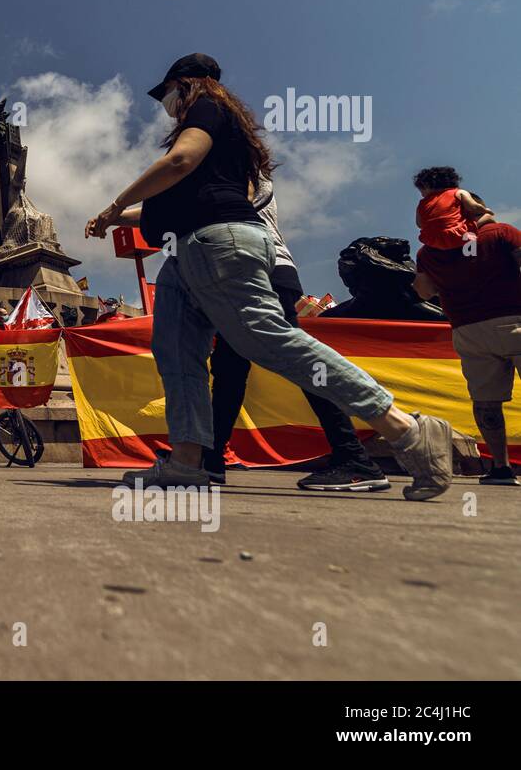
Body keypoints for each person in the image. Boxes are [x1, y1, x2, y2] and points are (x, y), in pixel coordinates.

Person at [85, 53, 456, 500]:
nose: (165, 102)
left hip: (217, 244)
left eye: (166, 93)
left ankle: (405, 428)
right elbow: (169, 201)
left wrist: (112, 203)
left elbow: (180, 161)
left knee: (267, 338)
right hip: (183, 256)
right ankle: (186, 463)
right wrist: (116, 219)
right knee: (177, 357)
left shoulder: (208, 107)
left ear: (185, 84)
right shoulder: (220, 139)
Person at [203, 174, 390, 491]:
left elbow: (225, 206)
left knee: (298, 364)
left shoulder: (238, 165)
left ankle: (356, 455)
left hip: (258, 269)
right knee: (230, 369)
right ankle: (210, 460)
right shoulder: (239, 164)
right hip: (256, 269)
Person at [414, 203, 521, 486]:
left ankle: (500, 468)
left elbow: (424, 292)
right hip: (514, 320)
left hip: (468, 330)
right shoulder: (502, 233)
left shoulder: (428, 253)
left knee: (487, 402)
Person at [414, 166, 491, 251]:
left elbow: (419, 224)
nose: (422, 195)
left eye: (421, 191)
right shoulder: (458, 192)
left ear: (427, 186)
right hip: (458, 236)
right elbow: (473, 207)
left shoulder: (422, 203)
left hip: (432, 240)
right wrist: (486, 210)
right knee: (487, 217)